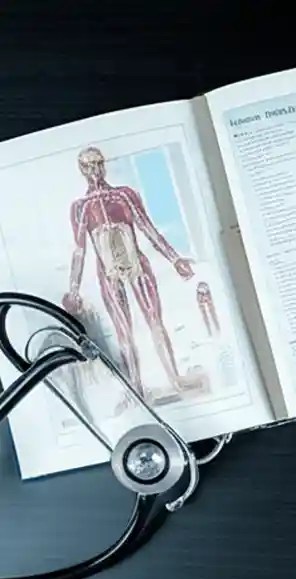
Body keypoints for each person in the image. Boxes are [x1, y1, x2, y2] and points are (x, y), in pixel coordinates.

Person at [62, 146, 196, 397]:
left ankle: (174, 378)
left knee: (155, 321)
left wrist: (175, 259)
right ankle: (135, 389)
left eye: (99, 164)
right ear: (81, 169)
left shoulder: (124, 195)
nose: (95, 170)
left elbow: (148, 229)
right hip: (108, 272)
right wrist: (74, 289)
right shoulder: (80, 207)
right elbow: (79, 249)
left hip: (137, 265)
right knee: (124, 330)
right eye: (89, 166)